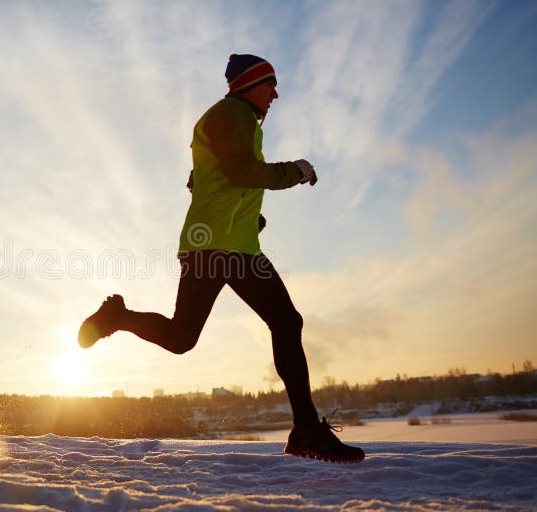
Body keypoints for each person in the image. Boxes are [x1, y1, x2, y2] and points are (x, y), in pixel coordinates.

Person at [78, 54, 364, 463]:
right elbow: (241, 171)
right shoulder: (233, 113)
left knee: (192, 336)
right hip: (219, 248)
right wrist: (295, 171)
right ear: (249, 84)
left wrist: (248, 216)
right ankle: (305, 430)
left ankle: (117, 317)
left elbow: (207, 180)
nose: (275, 94)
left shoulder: (233, 119)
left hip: (229, 244)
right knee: (276, 323)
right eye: (270, 85)